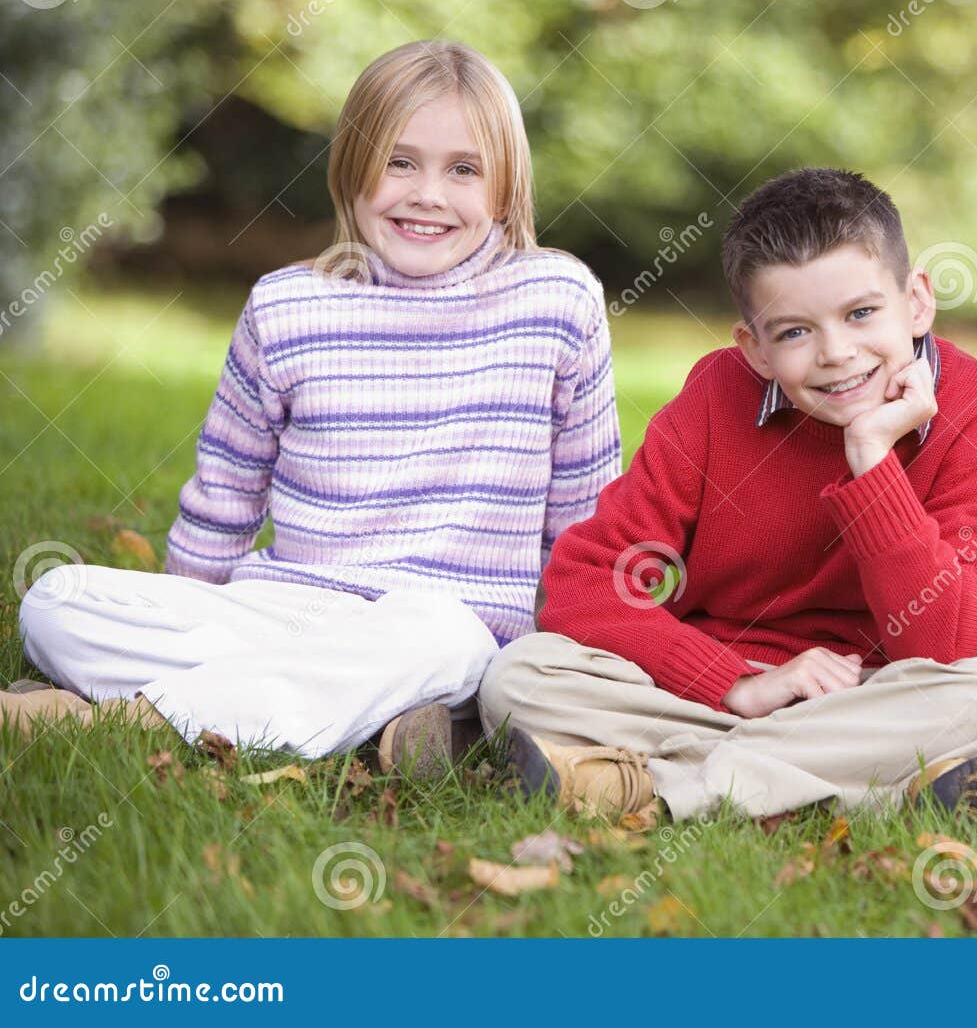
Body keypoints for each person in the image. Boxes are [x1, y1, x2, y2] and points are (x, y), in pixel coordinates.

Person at [10, 41, 621, 775]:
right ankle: (380, 726)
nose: (428, 192)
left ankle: (124, 719)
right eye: (399, 161)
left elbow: (584, 518)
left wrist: (564, 668)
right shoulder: (288, 305)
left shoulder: (559, 302)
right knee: (56, 600)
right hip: (286, 611)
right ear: (352, 171)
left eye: (463, 169)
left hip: (455, 628)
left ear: (505, 188)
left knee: (429, 634)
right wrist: (187, 609)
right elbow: (225, 495)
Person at [478, 167, 977, 821]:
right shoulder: (716, 397)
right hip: (711, 689)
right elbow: (585, 579)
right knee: (519, 675)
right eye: (795, 331)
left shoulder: (975, 408)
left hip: (869, 694)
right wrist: (737, 682)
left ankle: (656, 786)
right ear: (756, 348)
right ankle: (851, 787)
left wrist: (873, 460)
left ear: (915, 301)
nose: (836, 352)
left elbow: (950, 641)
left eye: (861, 313)